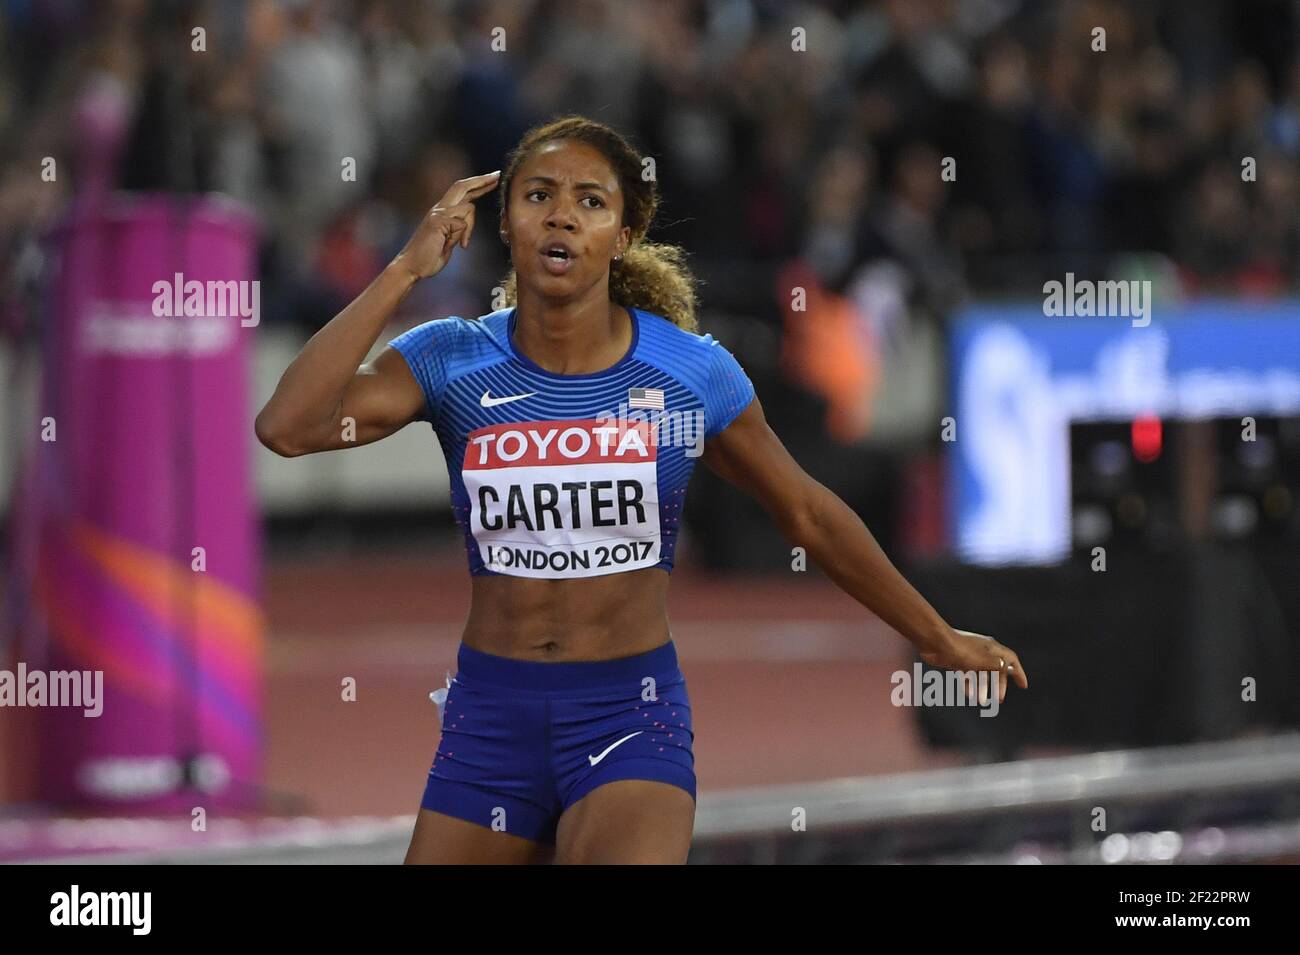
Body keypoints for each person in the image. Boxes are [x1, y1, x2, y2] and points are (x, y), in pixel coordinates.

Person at [254, 115, 1028, 865]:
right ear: (504, 224)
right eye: (538, 195)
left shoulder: (690, 373)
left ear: (623, 235)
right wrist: (406, 270)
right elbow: (288, 426)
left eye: (591, 201)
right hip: (490, 721)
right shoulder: (450, 358)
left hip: (628, 714)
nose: (562, 217)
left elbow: (809, 514)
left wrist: (933, 635)